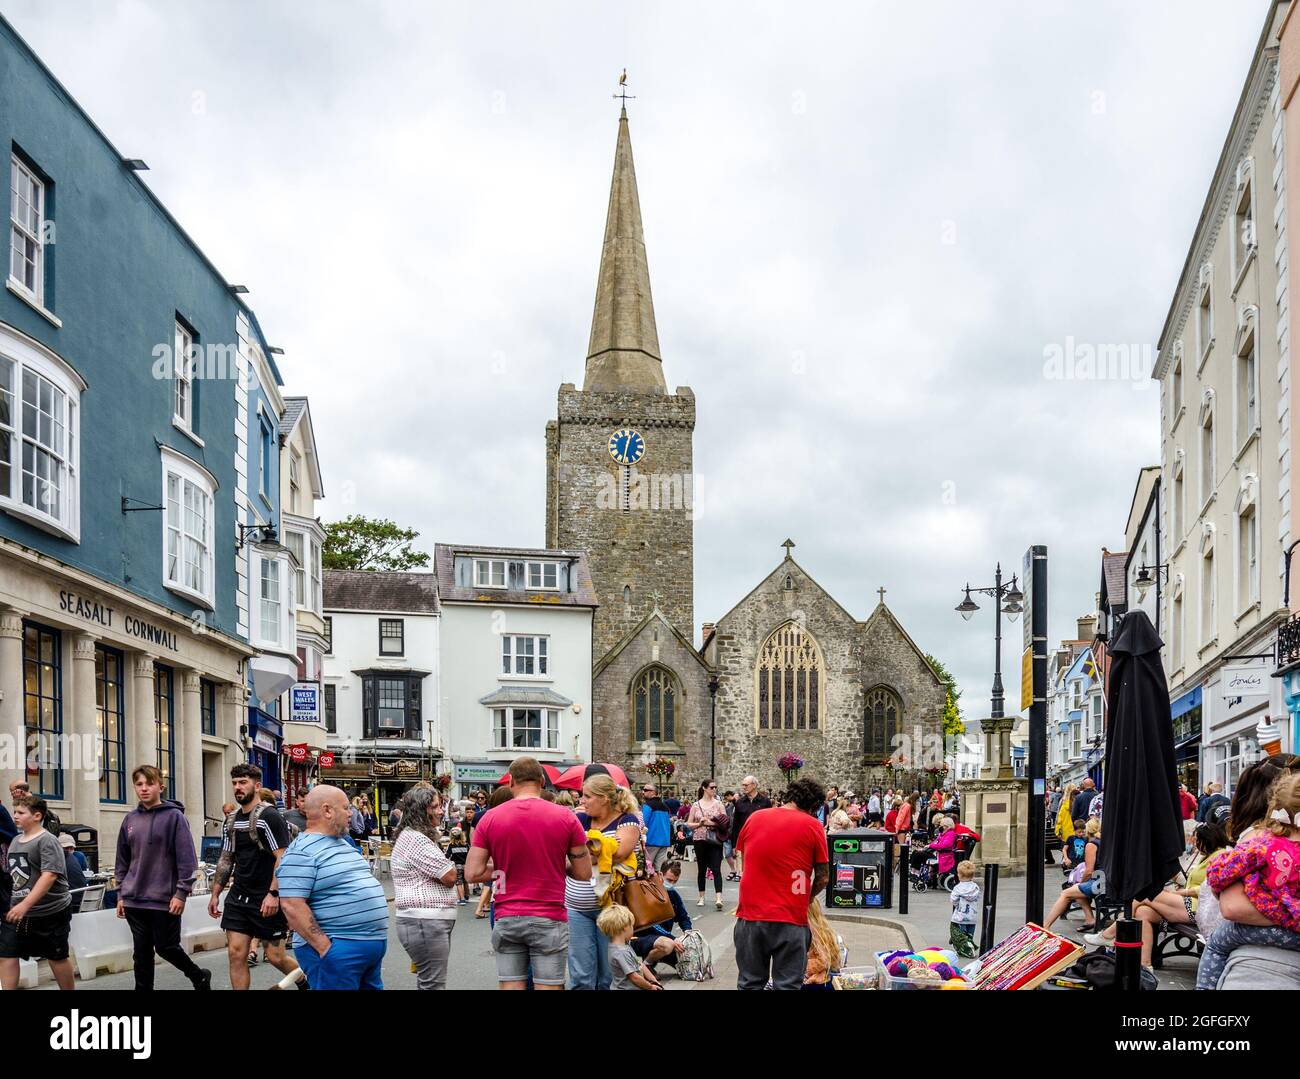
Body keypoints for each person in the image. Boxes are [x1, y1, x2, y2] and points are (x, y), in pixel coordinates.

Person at [465, 756, 592, 990]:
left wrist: (505, 868)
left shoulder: (490, 818)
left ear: (510, 781)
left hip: (507, 913)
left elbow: (472, 873)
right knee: (550, 985)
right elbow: (584, 873)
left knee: (511, 985)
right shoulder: (566, 817)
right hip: (549, 915)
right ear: (542, 781)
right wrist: (552, 865)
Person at [278, 785, 390, 990]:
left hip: (366, 947)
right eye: (346, 808)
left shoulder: (343, 843)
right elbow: (291, 904)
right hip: (337, 948)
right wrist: (325, 948)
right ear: (327, 810)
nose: (351, 813)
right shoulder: (301, 851)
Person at [1196, 773, 1300, 989]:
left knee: (1215, 945)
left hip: (1258, 931)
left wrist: (1217, 884)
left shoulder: (1263, 845)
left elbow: (1223, 872)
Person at [1085, 821, 1231, 969]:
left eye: (1197, 840)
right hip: (1188, 902)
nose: (1195, 844)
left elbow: (1210, 887)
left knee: (1143, 895)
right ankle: (1145, 965)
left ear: (1207, 840)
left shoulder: (1220, 856)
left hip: (1199, 905)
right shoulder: (1208, 856)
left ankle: (1109, 934)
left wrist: (1181, 892)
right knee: (1143, 912)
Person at [207, 762, 302, 990]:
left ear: (256, 786)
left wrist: (273, 893)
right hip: (239, 897)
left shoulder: (269, 817)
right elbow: (226, 857)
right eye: (234, 783)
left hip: (266, 897)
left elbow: (283, 858)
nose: (238, 787)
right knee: (236, 953)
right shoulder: (231, 820)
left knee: (275, 956)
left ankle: (305, 981)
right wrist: (215, 893)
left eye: (243, 783)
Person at [114, 765, 209, 990]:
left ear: (161, 787)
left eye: (149, 783)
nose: (144, 789)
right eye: (139, 784)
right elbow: (122, 860)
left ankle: (198, 975)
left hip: (165, 899)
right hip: (134, 898)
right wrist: (120, 894)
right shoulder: (129, 820)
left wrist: (181, 893)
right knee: (141, 953)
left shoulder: (175, 817)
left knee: (166, 947)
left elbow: (187, 860)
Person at [733, 776, 830, 990]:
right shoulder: (813, 825)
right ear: (813, 805)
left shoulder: (755, 817)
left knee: (749, 983)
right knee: (787, 985)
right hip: (790, 916)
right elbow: (823, 877)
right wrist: (809, 896)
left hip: (750, 915)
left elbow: (745, 854)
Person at [567, 773, 643, 988]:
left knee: (607, 975)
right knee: (581, 975)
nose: (582, 801)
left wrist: (583, 852)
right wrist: (603, 847)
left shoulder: (627, 820)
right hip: (575, 907)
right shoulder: (580, 819)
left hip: (610, 909)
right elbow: (565, 854)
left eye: (587, 796)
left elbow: (621, 853)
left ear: (604, 799)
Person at [0, 795, 74, 990]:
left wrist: (25, 904)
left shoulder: (47, 841)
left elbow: (49, 875)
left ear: (36, 816)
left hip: (50, 910)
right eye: (14, 811)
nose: (15, 816)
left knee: (56, 956)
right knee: (7, 953)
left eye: (20, 813)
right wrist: (17, 904)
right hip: (17, 912)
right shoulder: (15, 840)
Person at [389, 785, 458, 990]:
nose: (440, 811)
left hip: (424, 921)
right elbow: (450, 875)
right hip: (425, 921)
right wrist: (446, 870)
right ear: (423, 809)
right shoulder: (416, 839)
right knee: (433, 985)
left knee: (428, 982)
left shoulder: (414, 836)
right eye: (436, 807)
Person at [632, 859, 693, 974]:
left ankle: (657, 958)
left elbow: (683, 917)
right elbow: (652, 924)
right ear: (660, 875)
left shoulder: (673, 895)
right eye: (669, 880)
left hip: (663, 938)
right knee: (668, 945)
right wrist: (673, 939)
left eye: (675, 881)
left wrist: (688, 933)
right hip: (641, 938)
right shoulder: (646, 892)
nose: (671, 884)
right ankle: (645, 967)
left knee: (687, 961)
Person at [1043, 817, 1102, 934]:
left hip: (1098, 883)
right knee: (1076, 891)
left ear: (1087, 830)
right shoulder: (1102, 841)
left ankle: (1045, 926)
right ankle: (1090, 919)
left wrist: (1081, 882)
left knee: (1065, 893)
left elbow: (1089, 871)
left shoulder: (1092, 844)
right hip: (1104, 881)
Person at [599, 903, 662, 990]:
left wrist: (654, 980)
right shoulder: (620, 952)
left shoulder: (625, 945)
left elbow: (640, 965)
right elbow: (634, 977)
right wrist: (650, 987)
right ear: (625, 927)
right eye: (632, 926)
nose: (633, 929)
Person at [687, 779, 729, 910]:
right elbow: (689, 823)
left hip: (715, 839)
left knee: (716, 869)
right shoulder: (695, 805)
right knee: (701, 869)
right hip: (699, 839)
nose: (714, 789)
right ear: (704, 788)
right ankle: (701, 897)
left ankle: (718, 898)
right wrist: (699, 824)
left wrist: (709, 823)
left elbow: (725, 823)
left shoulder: (719, 804)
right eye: (712, 787)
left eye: (715, 787)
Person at [730, 776, 771, 876]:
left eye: (746, 785)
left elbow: (770, 823)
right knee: (743, 872)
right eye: (743, 785)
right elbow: (735, 825)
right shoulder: (739, 802)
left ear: (754, 785)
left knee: (759, 870)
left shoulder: (765, 802)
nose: (743, 787)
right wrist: (734, 844)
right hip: (743, 841)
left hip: (760, 840)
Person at [803, 898, 843, 990]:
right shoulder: (821, 928)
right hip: (821, 978)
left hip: (816, 980)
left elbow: (823, 960)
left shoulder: (814, 933)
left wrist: (800, 966)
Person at [950, 860, 980, 958]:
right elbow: (977, 897)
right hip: (972, 916)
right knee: (970, 933)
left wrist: (958, 904)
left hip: (961, 915)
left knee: (961, 933)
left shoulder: (958, 888)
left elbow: (953, 900)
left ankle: (966, 947)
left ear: (960, 875)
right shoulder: (975, 887)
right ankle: (970, 942)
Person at [640, 783, 673, 872]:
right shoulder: (665, 807)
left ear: (653, 792)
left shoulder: (648, 806)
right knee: (659, 871)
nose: (643, 792)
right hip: (664, 841)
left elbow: (643, 823)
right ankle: (659, 886)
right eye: (643, 790)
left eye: (646, 790)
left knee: (647, 869)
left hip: (651, 841)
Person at [59, 834, 86, 909]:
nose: (69, 851)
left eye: (71, 848)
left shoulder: (61, 859)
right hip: (81, 896)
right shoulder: (77, 856)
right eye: (66, 848)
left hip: (71, 900)